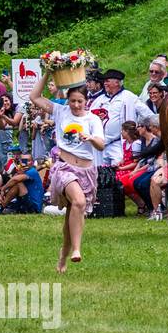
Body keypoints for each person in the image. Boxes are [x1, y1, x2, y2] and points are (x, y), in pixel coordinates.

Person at [29, 76, 105, 273]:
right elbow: (34, 96)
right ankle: (77, 250)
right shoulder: (61, 111)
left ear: (86, 101)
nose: (76, 105)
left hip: (87, 171)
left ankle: (63, 255)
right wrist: (47, 73)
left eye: (80, 101)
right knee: (78, 202)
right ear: (67, 100)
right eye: (72, 101)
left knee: (73, 213)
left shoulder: (92, 119)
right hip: (64, 167)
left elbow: (101, 144)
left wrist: (90, 138)